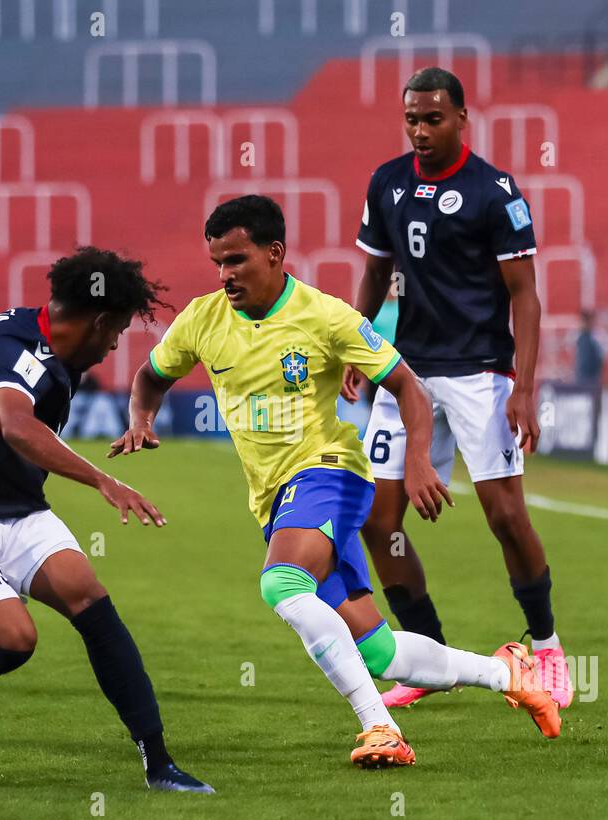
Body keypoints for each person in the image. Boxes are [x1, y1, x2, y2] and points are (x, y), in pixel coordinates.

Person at [112, 196, 560, 769]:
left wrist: (419, 459)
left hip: (330, 472)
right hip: (274, 498)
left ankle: (381, 728)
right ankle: (506, 672)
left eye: (237, 260)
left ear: (275, 255)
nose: (225, 275)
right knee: (381, 652)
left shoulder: (326, 317)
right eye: (217, 262)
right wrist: (140, 421)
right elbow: (150, 378)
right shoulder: (202, 320)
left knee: (282, 585)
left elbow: (409, 388)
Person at [0, 246, 212, 792]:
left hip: (14, 509)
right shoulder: (14, 346)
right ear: (100, 321)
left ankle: (160, 765)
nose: (114, 347)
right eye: (115, 333)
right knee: (16, 638)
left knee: (89, 596)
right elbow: (16, 426)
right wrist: (103, 480)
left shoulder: (54, 352)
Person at [341, 66, 573, 710]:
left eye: (433, 118)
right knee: (378, 522)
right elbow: (375, 270)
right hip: (406, 370)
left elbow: (524, 298)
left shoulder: (495, 192)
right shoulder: (386, 183)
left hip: (480, 375)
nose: (420, 129)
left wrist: (523, 388)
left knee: (504, 514)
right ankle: (428, 657)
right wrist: (359, 345)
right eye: (411, 118)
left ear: (461, 119)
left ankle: (548, 648)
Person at [574, 309, 604, 385]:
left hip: (593, 376)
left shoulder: (597, 336)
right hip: (581, 376)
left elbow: (601, 358)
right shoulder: (578, 336)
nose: (584, 324)